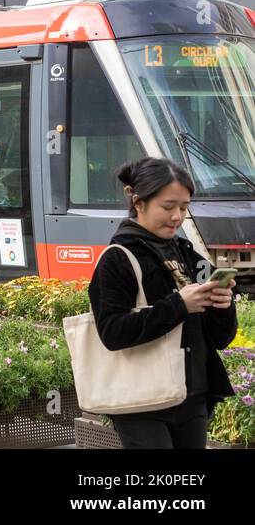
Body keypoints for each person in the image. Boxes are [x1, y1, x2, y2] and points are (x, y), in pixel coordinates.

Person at [89, 157, 237, 449]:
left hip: (192, 394)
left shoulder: (187, 254)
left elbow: (220, 339)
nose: (177, 217)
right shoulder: (117, 258)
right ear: (139, 202)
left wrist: (223, 305)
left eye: (184, 207)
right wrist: (178, 306)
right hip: (141, 401)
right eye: (168, 207)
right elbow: (112, 332)